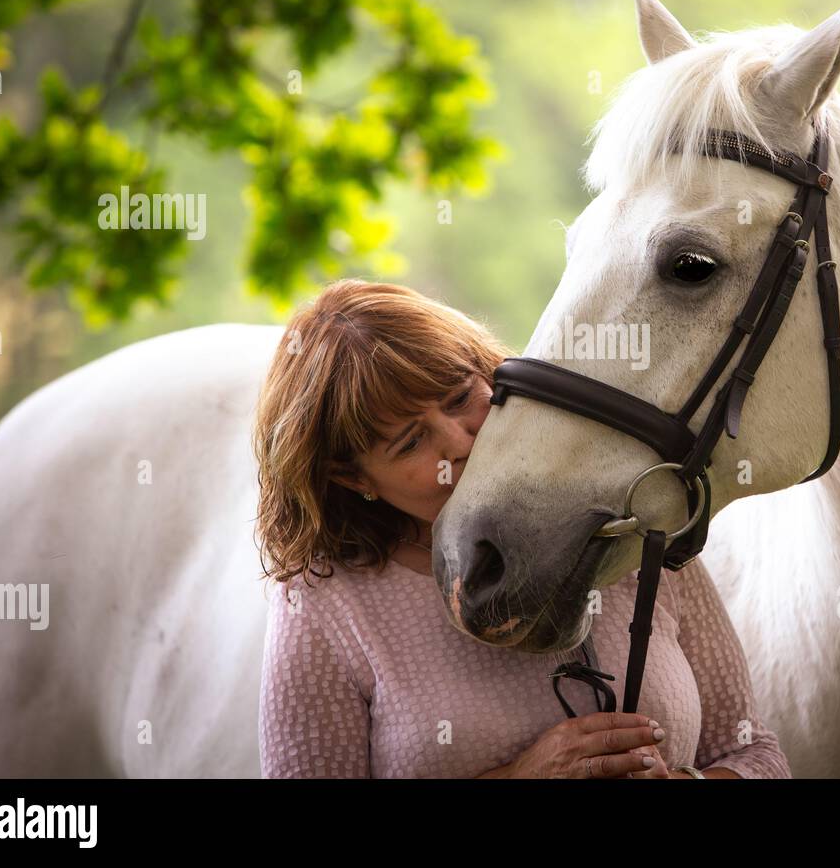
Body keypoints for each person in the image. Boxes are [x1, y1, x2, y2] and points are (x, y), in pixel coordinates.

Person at [253, 278, 792, 778]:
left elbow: (754, 755)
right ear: (351, 476)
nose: (461, 443)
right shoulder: (322, 604)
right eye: (411, 442)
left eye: (461, 398)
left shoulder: (630, 525)